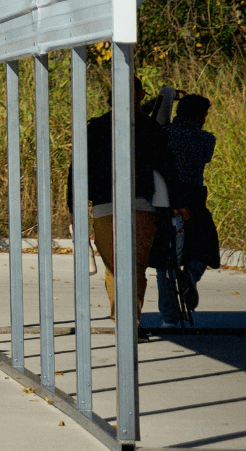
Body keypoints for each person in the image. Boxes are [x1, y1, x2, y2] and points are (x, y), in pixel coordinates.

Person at [70, 77, 184, 321]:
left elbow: (76, 169)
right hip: (141, 206)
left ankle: (123, 317)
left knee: (115, 268)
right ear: (140, 95)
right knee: (135, 268)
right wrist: (177, 201)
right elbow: (167, 167)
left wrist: (73, 206)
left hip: (103, 207)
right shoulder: (151, 129)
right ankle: (131, 319)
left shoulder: (94, 128)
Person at [156, 94, 218, 326]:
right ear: (199, 116)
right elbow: (204, 158)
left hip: (167, 198)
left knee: (165, 259)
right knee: (205, 245)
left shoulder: (163, 134)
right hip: (194, 198)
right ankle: (190, 276)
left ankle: (170, 317)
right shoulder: (206, 139)